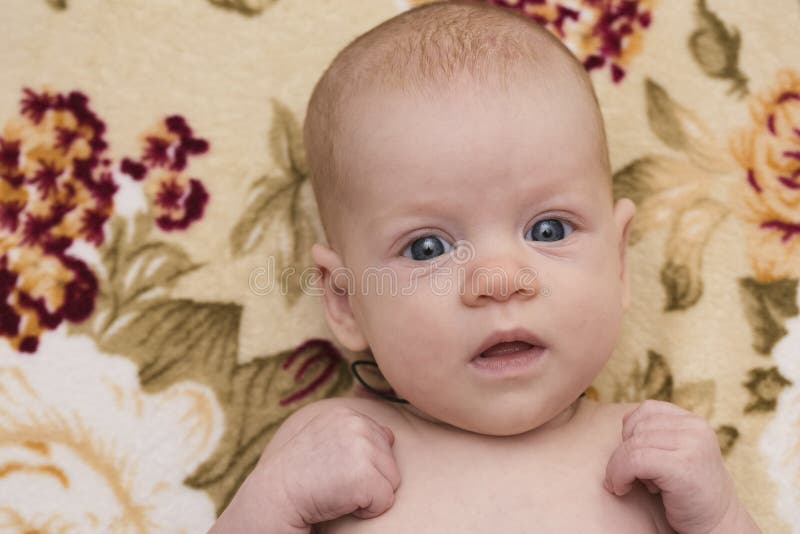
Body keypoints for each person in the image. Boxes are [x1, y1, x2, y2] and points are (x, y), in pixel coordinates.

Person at [211, 1, 762, 532]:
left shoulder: (648, 456)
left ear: (619, 264)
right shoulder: (326, 453)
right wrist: (273, 503)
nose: (499, 281)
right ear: (346, 300)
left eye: (549, 230)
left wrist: (717, 518)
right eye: (428, 248)